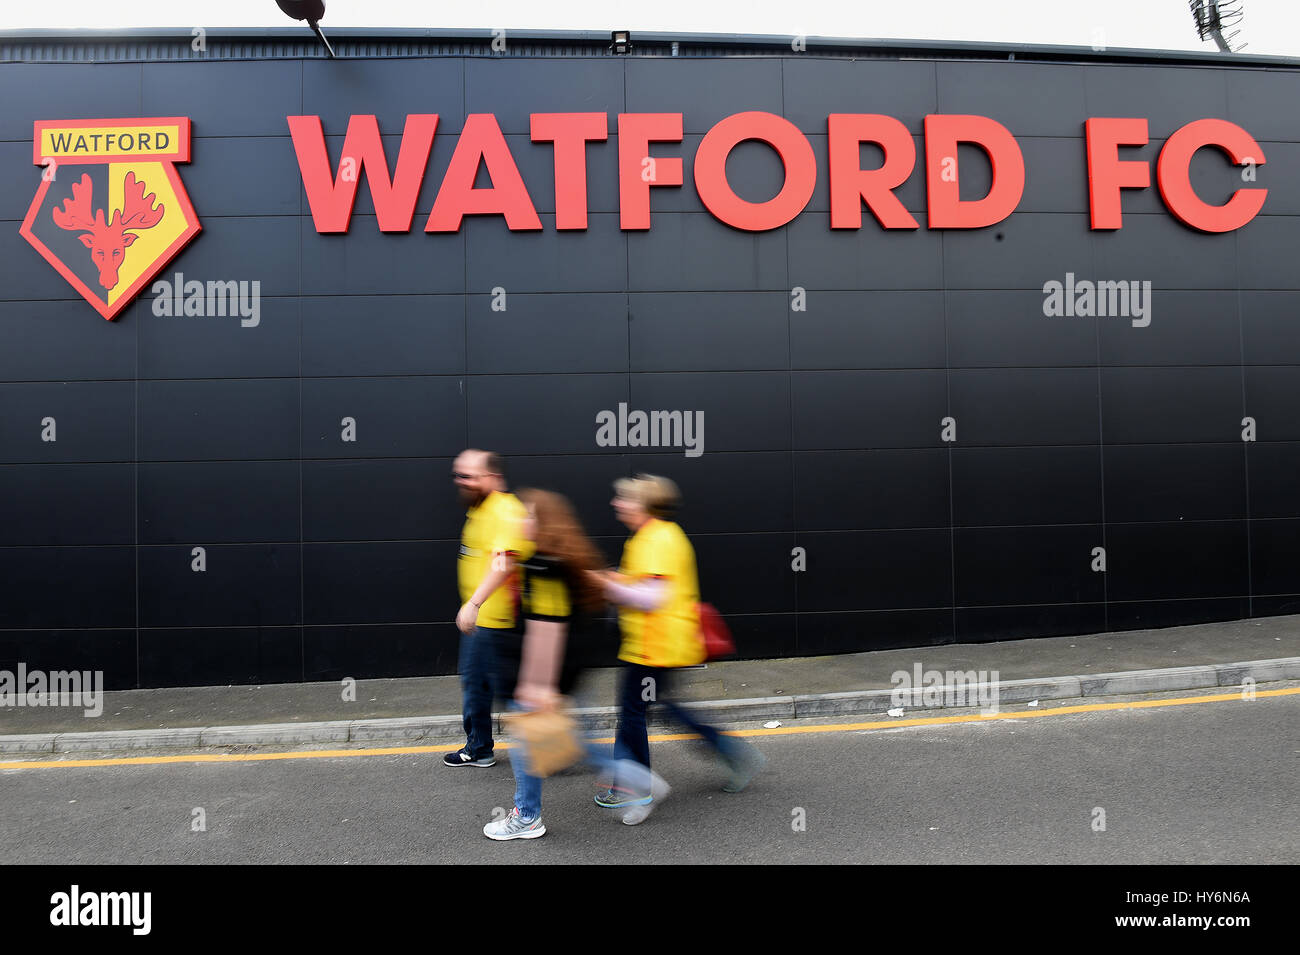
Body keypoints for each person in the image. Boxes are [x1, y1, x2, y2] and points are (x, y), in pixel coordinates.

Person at [483, 487, 667, 839]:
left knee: (537, 744)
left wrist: (536, 684)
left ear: (544, 522)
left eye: (529, 515)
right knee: (568, 744)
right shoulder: (561, 559)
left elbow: (546, 629)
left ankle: (527, 816)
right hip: (560, 674)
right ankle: (636, 781)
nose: (522, 520)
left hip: (540, 675)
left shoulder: (542, 565)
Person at [588, 473, 764, 825]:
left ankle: (638, 788)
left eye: (624, 499)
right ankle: (731, 751)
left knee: (633, 712)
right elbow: (639, 582)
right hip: (653, 645)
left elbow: (652, 596)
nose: (616, 503)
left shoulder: (658, 540)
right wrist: (612, 578)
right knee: (660, 708)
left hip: (657, 647)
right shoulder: (648, 537)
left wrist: (605, 585)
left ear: (644, 505)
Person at [446, 449, 533, 768]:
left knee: (499, 689)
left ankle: (553, 748)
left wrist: (474, 603)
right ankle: (480, 745)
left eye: (468, 476)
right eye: (458, 475)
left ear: (492, 477)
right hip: (482, 618)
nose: (461, 481)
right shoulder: (481, 509)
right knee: (480, 684)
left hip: (494, 618)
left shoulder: (504, 510)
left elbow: (503, 562)